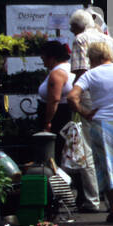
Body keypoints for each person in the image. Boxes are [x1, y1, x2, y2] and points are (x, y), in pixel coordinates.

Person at [68, 38, 113, 222]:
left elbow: (72, 97)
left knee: (107, 167)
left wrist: (85, 113)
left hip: (101, 124)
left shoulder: (90, 75)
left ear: (92, 57)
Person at [36, 39, 99, 212]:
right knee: (71, 156)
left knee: (55, 157)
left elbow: (54, 100)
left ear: (51, 57)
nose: (42, 60)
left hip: (57, 118)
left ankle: (60, 195)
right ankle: (78, 194)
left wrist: (47, 122)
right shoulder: (69, 71)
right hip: (66, 117)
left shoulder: (57, 74)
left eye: (44, 57)